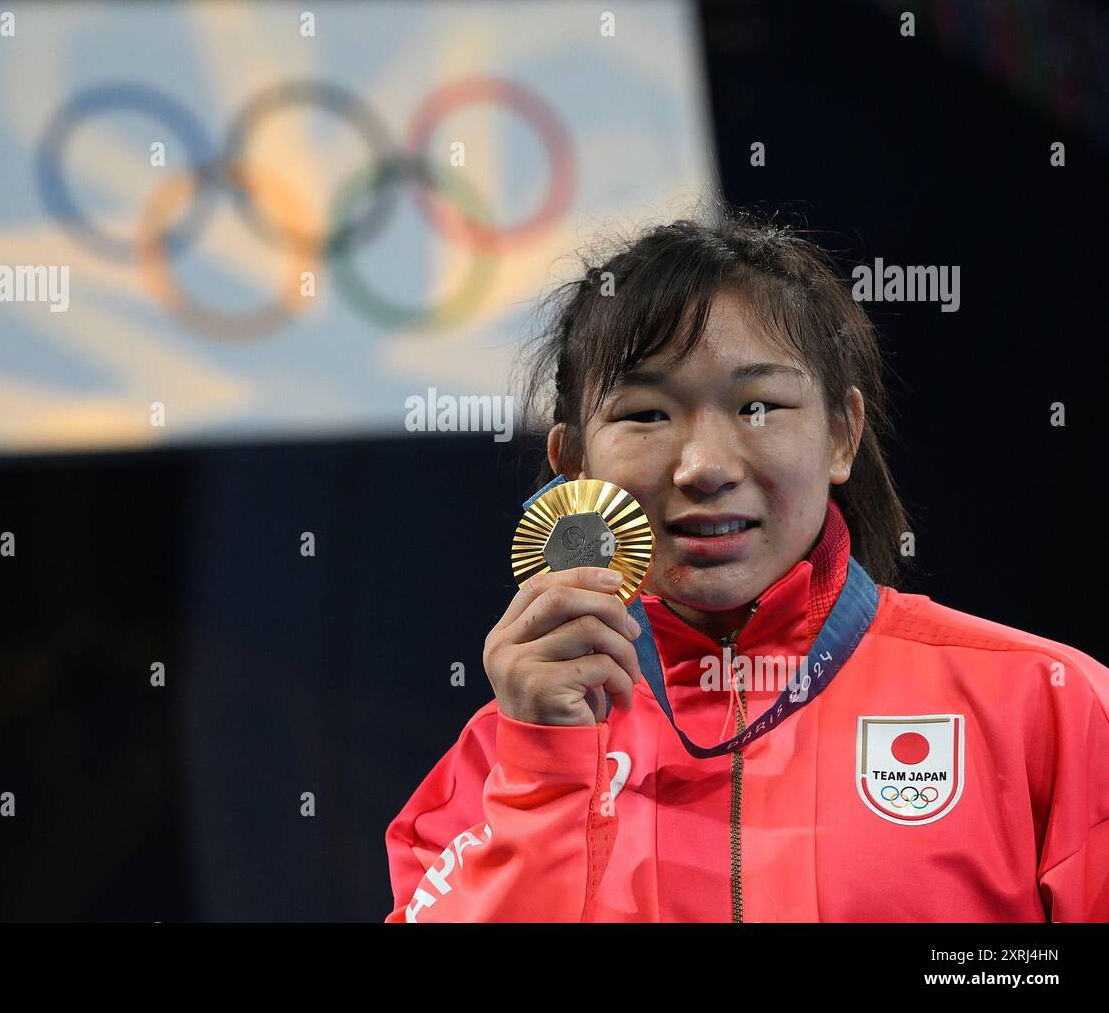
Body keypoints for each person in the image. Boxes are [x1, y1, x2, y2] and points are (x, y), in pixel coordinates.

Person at [383, 210, 1109, 922]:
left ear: (841, 437)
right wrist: (544, 775)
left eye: (758, 406)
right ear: (572, 462)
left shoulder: (1047, 705)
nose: (704, 467)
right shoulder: (494, 763)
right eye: (645, 415)